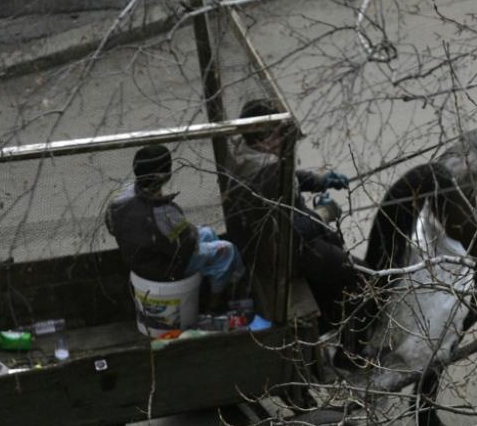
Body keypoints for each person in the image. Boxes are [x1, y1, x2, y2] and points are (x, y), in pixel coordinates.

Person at [225, 99, 370, 349]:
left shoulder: (245, 153)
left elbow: (288, 178)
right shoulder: (267, 171)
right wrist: (324, 213)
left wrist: (318, 181)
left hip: (274, 239)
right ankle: (351, 352)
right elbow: (289, 228)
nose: (287, 145)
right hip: (285, 251)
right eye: (282, 137)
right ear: (266, 139)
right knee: (366, 281)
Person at [106, 144, 245, 309]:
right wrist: (188, 229)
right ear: (165, 175)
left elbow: (111, 226)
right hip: (163, 270)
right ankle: (216, 303)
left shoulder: (120, 198)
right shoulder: (163, 212)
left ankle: (210, 284)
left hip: (138, 261)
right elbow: (187, 245)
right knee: (227, 250)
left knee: (207, 233)